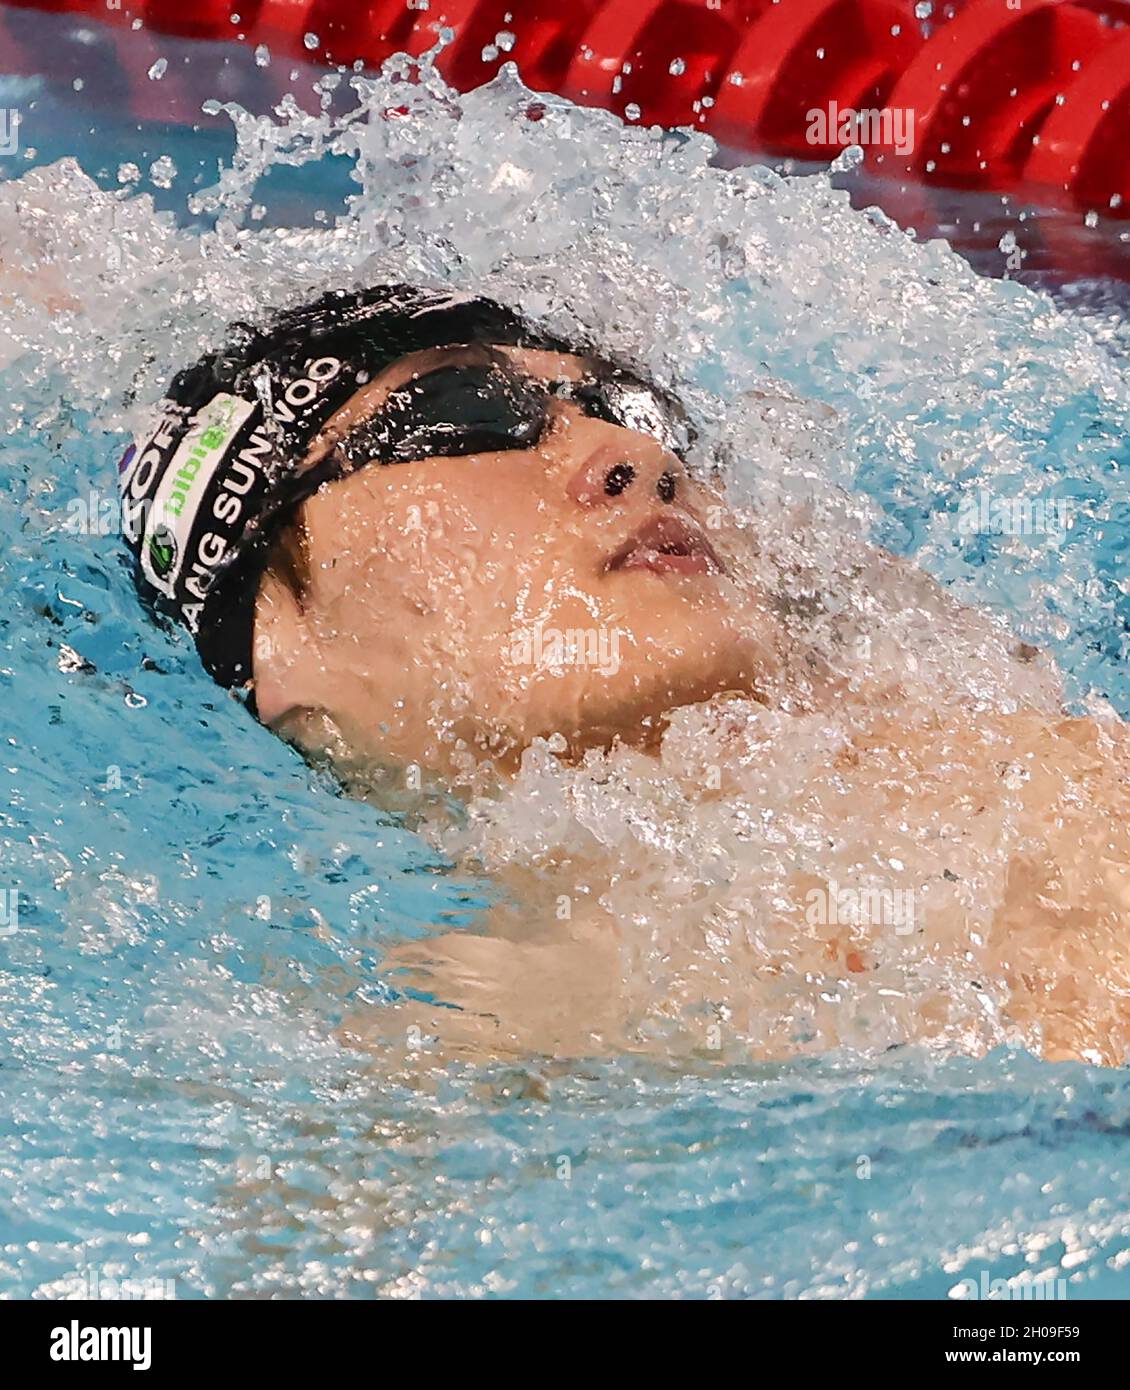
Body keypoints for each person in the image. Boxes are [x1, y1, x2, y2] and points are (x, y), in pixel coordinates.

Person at [121, 283, 1130, 1066]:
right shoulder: (472, 1035)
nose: (630, 450)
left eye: (628, 406)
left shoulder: (1009, 768)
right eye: (469, 408)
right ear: (274, 641)